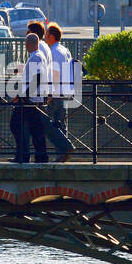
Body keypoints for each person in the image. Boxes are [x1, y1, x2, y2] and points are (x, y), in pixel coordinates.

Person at [9, 32, 50, 164]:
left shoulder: (35, 58)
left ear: (27, 44)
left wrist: (24, 96)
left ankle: (23, 155)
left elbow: (36, 78)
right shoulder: (39, 56)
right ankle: (40, 156)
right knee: (35, 128)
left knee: (16, 125)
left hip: (30, 99)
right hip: (33, 98)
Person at [42, 22, 75, 162]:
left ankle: (65, 147)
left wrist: (50, 93)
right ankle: (63, 154)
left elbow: (55, 73)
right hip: (65, 92)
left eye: (46, 34)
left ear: (52, 36)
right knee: (60, 123)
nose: (44, 37)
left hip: (56, 93)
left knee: (45, 123)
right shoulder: (65, 50)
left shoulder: (54, 52)